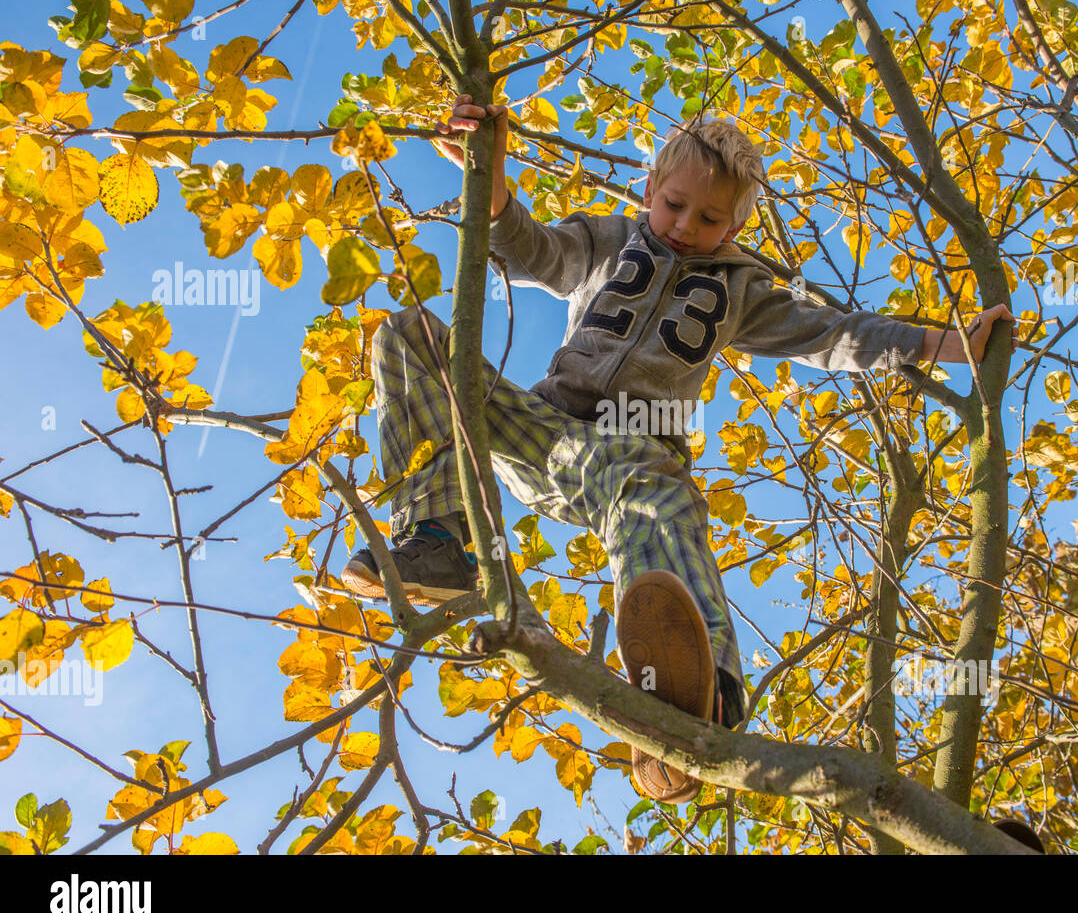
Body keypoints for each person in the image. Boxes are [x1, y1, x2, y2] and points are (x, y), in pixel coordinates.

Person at [342, 96, 1014, 803]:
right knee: (408, 334)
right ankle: (442, 539)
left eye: (710, 218)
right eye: (674, 206)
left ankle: (701, 693)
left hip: (634, 452)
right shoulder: (609, 241)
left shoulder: (741, 290)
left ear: (738, 225)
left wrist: (944, 345)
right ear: (648, 191)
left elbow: (832, 334)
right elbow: (530, 248)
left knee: (654, 498)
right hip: (546, 434)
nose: (687, 227)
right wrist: (492, 172)